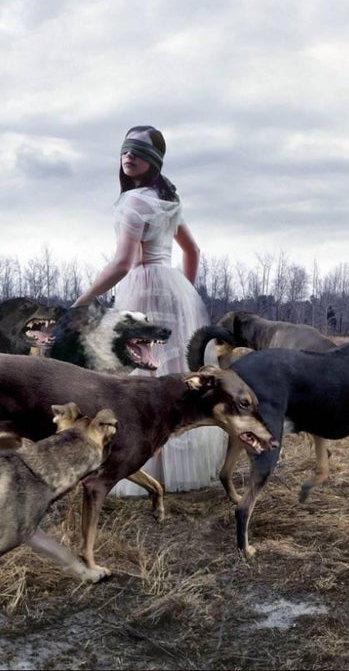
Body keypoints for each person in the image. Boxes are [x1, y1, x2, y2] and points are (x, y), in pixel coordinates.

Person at [72, 124, 226, 495]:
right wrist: (186, 292)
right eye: (125, 150)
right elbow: (192, 251)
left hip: (142, 287)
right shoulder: (166, 199)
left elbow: (122, 263)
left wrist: (83, 299)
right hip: (172, 286)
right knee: (175, 373)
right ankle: (179, 468)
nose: (129, 156)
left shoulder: (133, 202)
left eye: (138, 152)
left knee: (140, 376)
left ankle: (142, 468)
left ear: (153, 161)